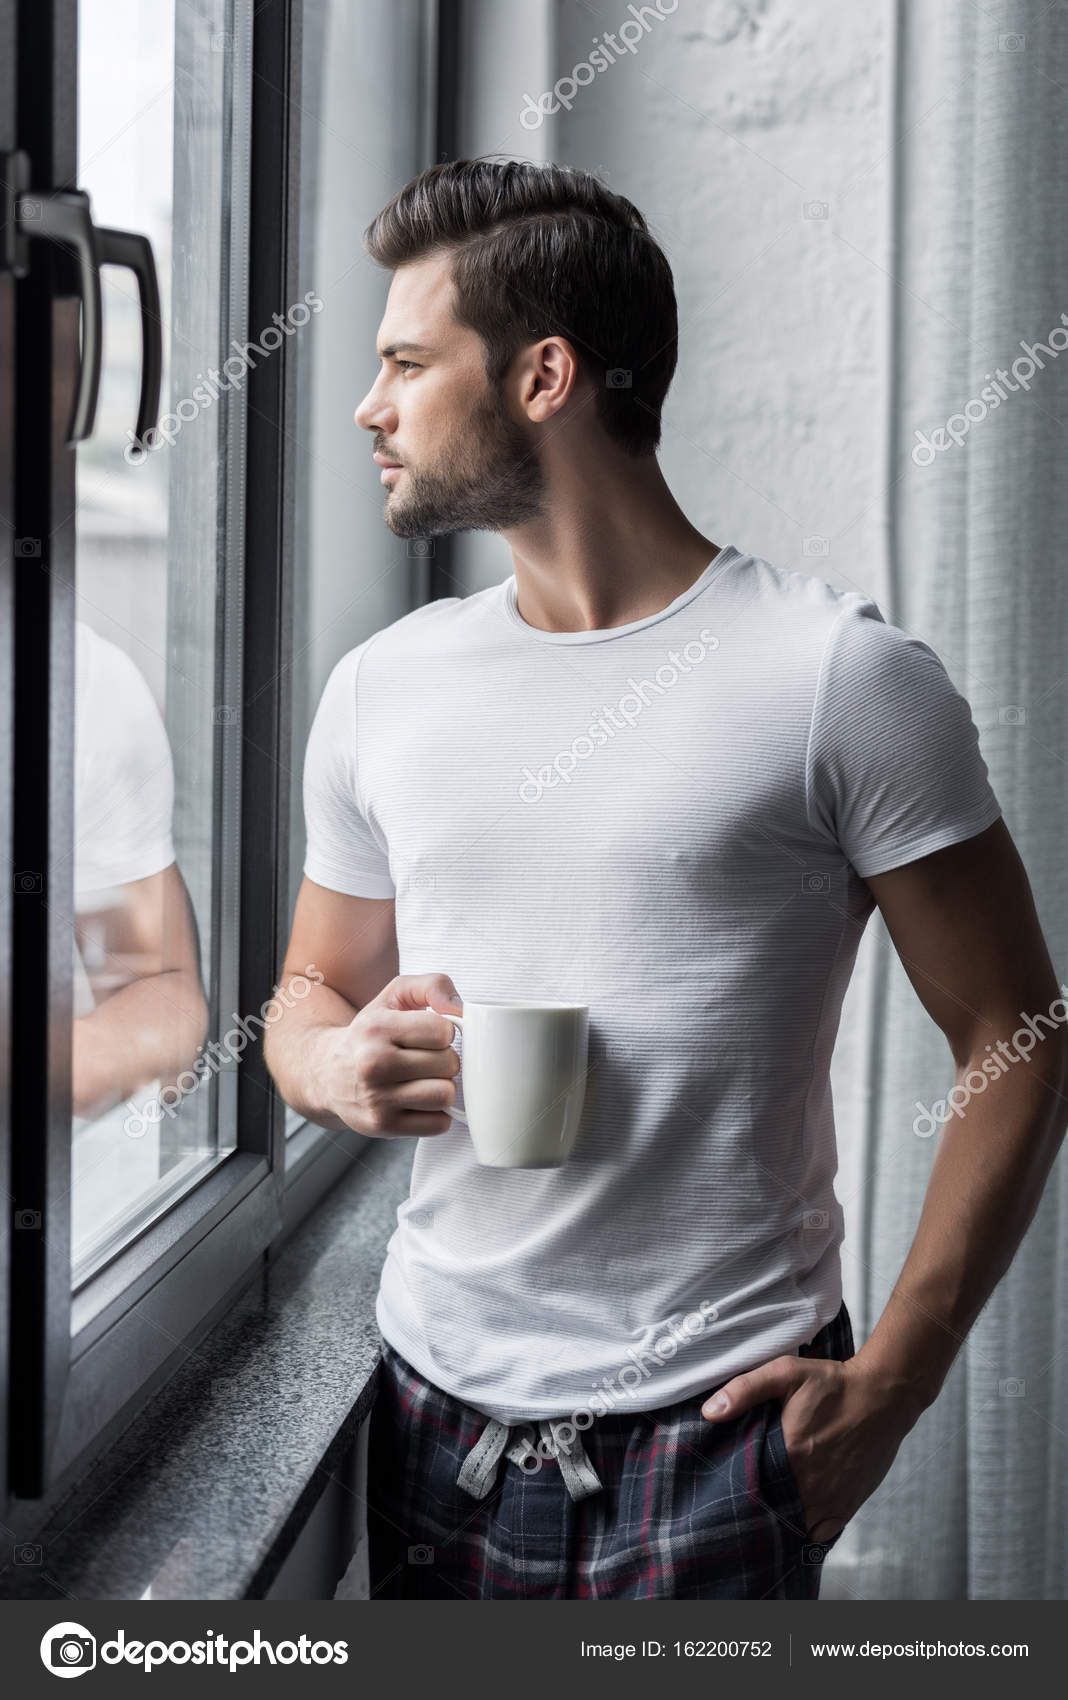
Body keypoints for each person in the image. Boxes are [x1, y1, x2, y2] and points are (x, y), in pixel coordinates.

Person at [263, 159, 1068, 1600]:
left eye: (405, 363)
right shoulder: (382, 687)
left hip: (723, 1435)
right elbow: (308, 990)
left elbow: (1018, 1033)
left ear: (544, 376)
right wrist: (331, 1065)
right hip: (433, 1422)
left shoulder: (840, 679)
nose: (370, 409)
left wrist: (896, 1382)